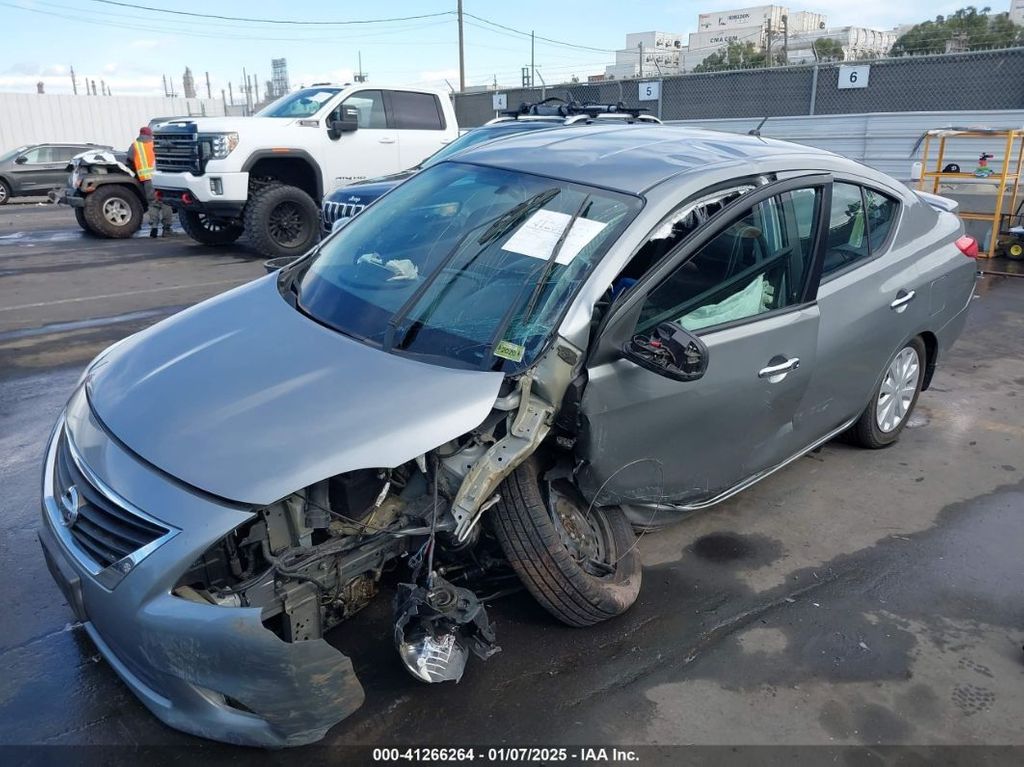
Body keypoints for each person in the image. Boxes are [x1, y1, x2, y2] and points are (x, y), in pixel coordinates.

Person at [127, 126, 173, 237]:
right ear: (150, 134)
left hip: (147, 179)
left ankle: (154, 227)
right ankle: (167, 229)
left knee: (153, 203)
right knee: (166, 202)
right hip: (161, 177)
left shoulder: (134, 145)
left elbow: (129, 159)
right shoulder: (156, 144)